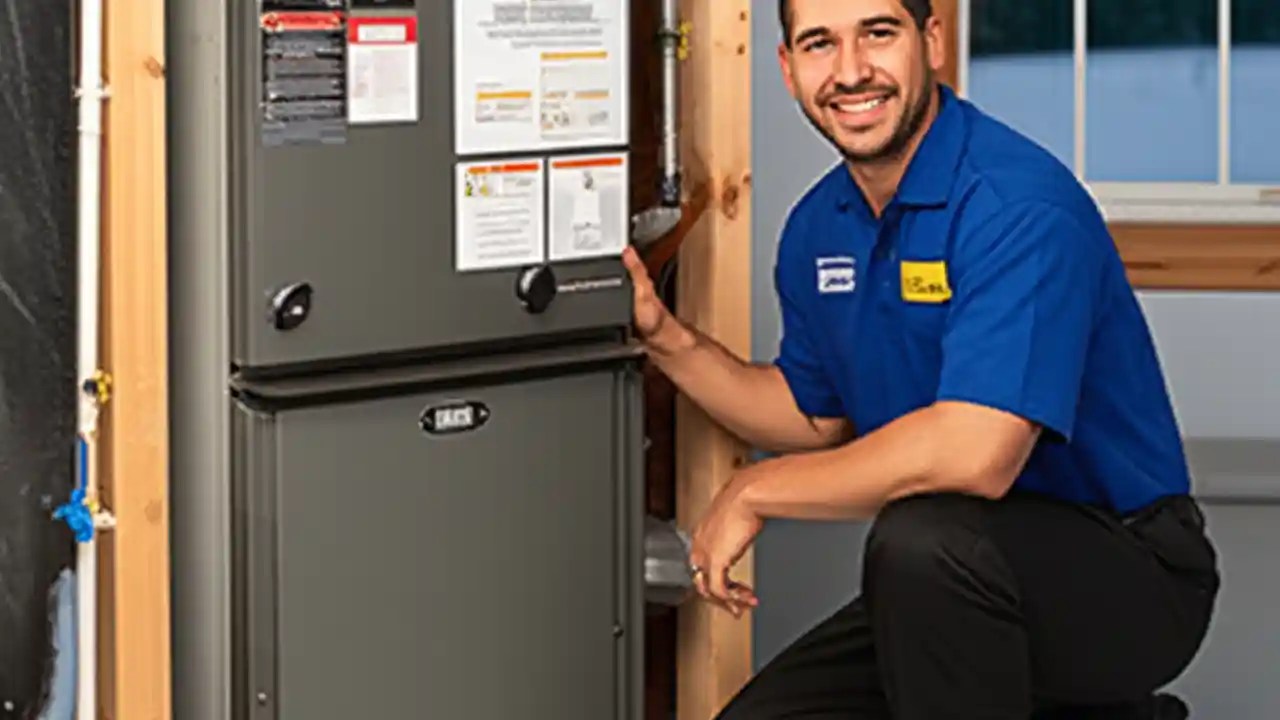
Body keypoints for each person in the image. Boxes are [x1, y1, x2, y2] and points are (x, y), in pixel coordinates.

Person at [619, 0, 1221, 717]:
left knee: (923, 537)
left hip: (1127, 575)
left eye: (878, 33)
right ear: (787, 69)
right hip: (945, 581)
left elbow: (977, 454)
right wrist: (668, 341)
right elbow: (815, 418)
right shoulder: (819, 227)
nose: (850, 71)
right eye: (819, 44)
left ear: (931, 40)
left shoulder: (1015, 204)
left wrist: (753, 490)